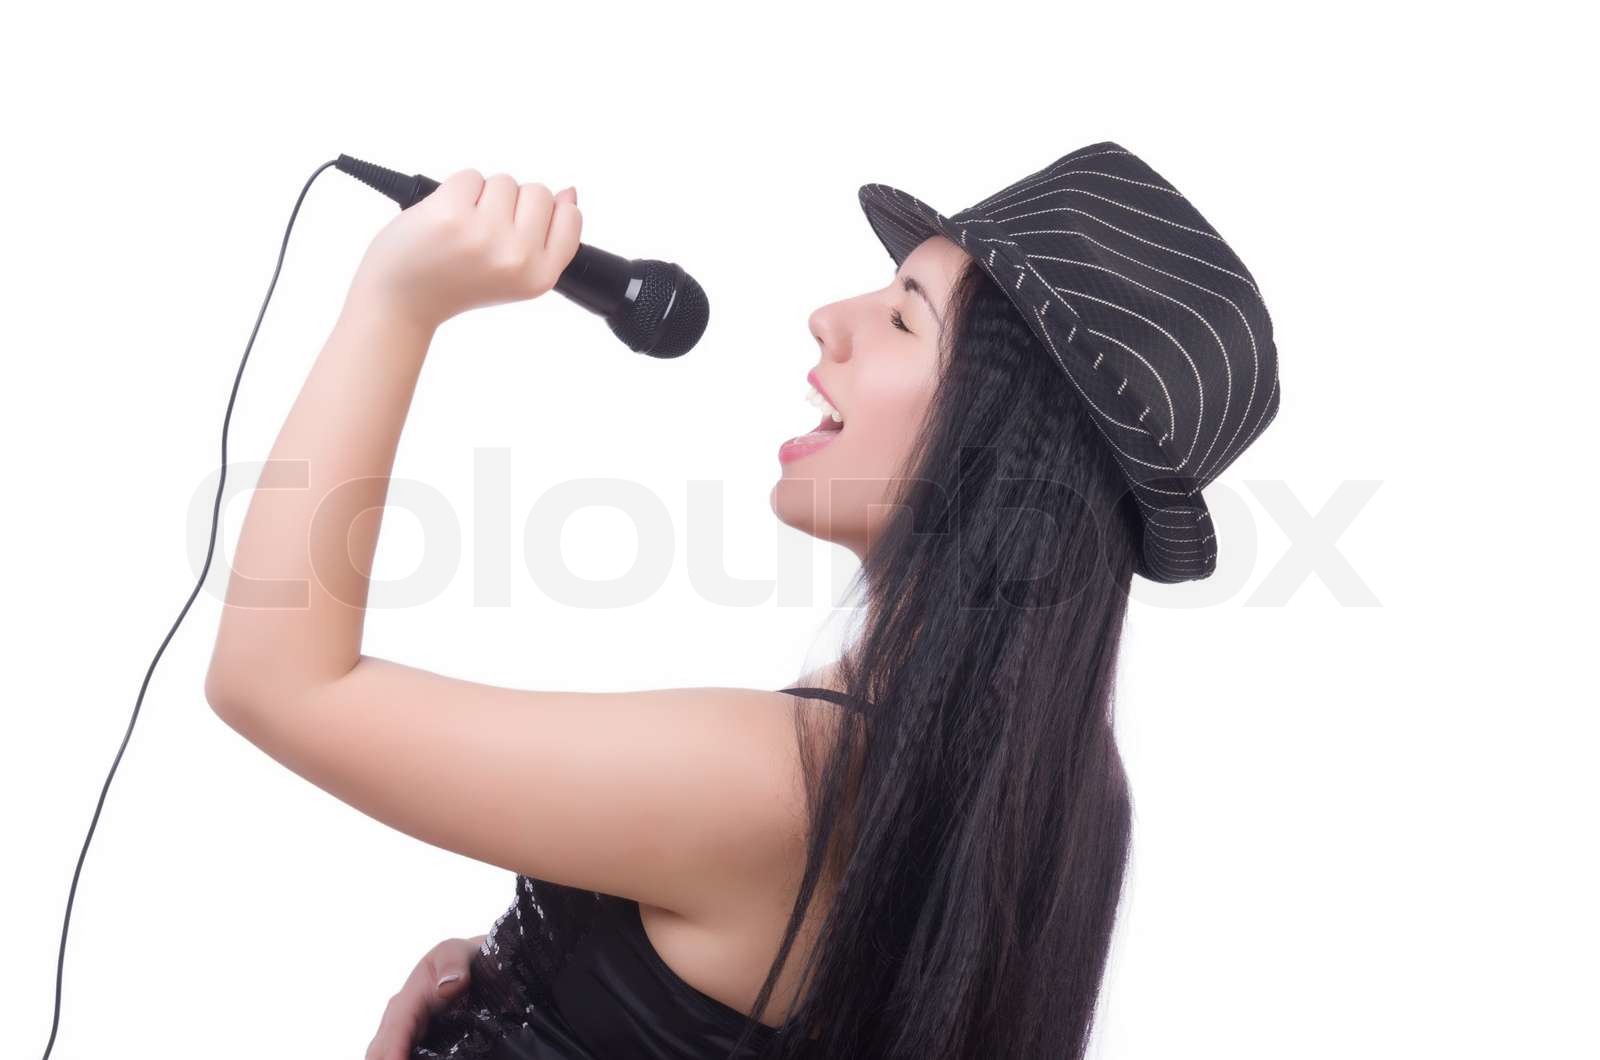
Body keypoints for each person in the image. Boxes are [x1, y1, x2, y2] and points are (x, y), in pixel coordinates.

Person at [207, 141, 1280, 1060]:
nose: (829, 320)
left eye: (904, 319)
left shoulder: (784, 785)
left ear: (1001, 448)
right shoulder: (1052, 799)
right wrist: (536, 989)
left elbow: (279, 684)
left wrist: (396, 302)